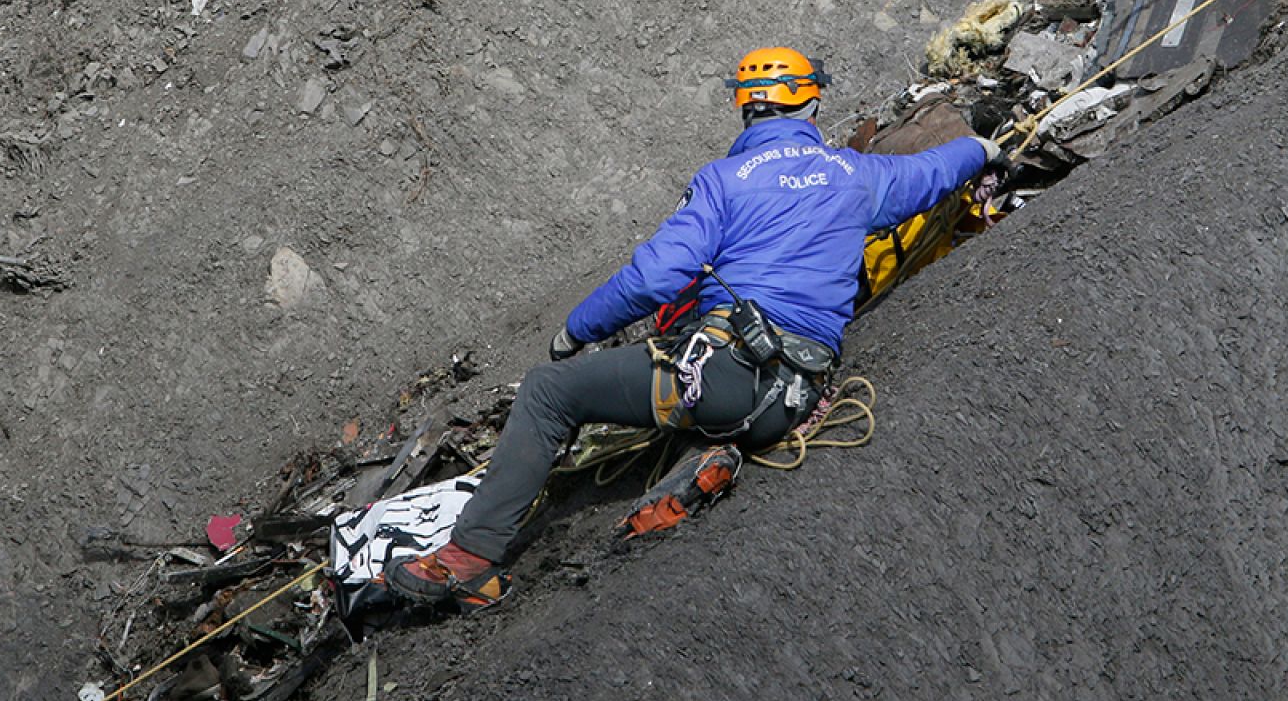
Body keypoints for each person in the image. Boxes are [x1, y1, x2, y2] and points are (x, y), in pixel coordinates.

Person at [386, 46, 996, 610]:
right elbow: (940, 169)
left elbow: (653, 278)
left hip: (725, 374)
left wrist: (574, 332)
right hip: (797, 395)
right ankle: (709, 455)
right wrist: (987, 150)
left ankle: (470, 561)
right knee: (701, 398)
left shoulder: (723, 183)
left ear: (747, 110)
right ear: (810, 103)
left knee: (550, 392)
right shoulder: (854, 174)